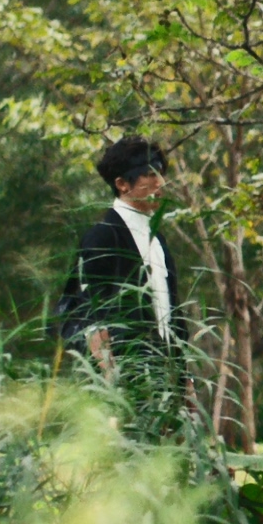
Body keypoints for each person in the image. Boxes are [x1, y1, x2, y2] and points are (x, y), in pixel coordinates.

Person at [57, 136, 187, 386]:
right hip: (125, 381)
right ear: (122, 184)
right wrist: (112, 381)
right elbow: (90, 316)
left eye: (161, 173)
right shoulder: (103, 236)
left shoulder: (158, 238)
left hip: (164, 379)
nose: (161, 183)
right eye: (150, 175)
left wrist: (184, 381)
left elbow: (173, 315)